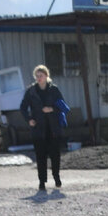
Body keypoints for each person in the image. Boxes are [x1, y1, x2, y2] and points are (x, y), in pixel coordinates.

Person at [19, 65, 70, 193]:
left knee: (55, 155)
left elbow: (63, 106)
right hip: (38, 128)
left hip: (53, 128)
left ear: (46, 76)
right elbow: (23, 107)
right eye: (37, 76)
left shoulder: (54, 90)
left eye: (41, 75)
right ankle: (42, 182)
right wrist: (29, 119)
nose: (38, 78)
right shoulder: (31, 91)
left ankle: (56, 178)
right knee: (40, 156)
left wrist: (52, 109)